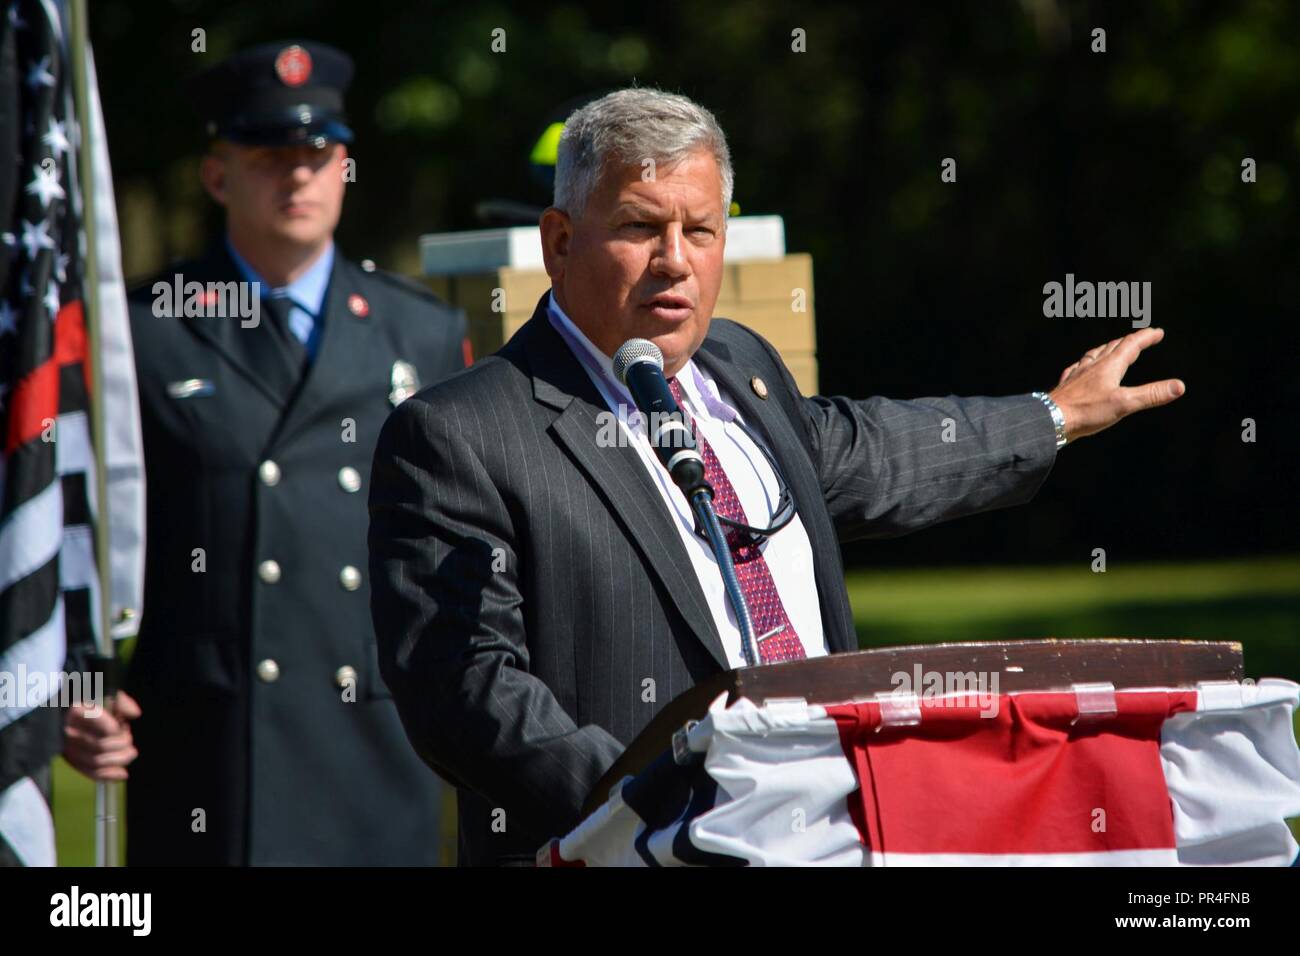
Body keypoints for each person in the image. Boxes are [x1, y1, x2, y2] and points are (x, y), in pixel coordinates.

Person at [366, 87, 1185, 866]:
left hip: (833, 831)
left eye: (701, 230)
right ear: (560, 242)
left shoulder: (741, 367)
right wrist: (669, 811)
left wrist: (1054, 415)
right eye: (638, 227)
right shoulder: (459, 435)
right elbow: (465, 689)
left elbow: (879, 452)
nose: (674, 262)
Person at [62, 40, 468, 865]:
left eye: (318, 156)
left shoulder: (421, 332)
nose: (297, 176)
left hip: (372, 749)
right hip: (212, 755)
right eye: (269, 155)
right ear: (218, 176)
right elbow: (78, 528)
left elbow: (464, 545)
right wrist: (75, 687)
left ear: (344, 168)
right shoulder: (144, 335)